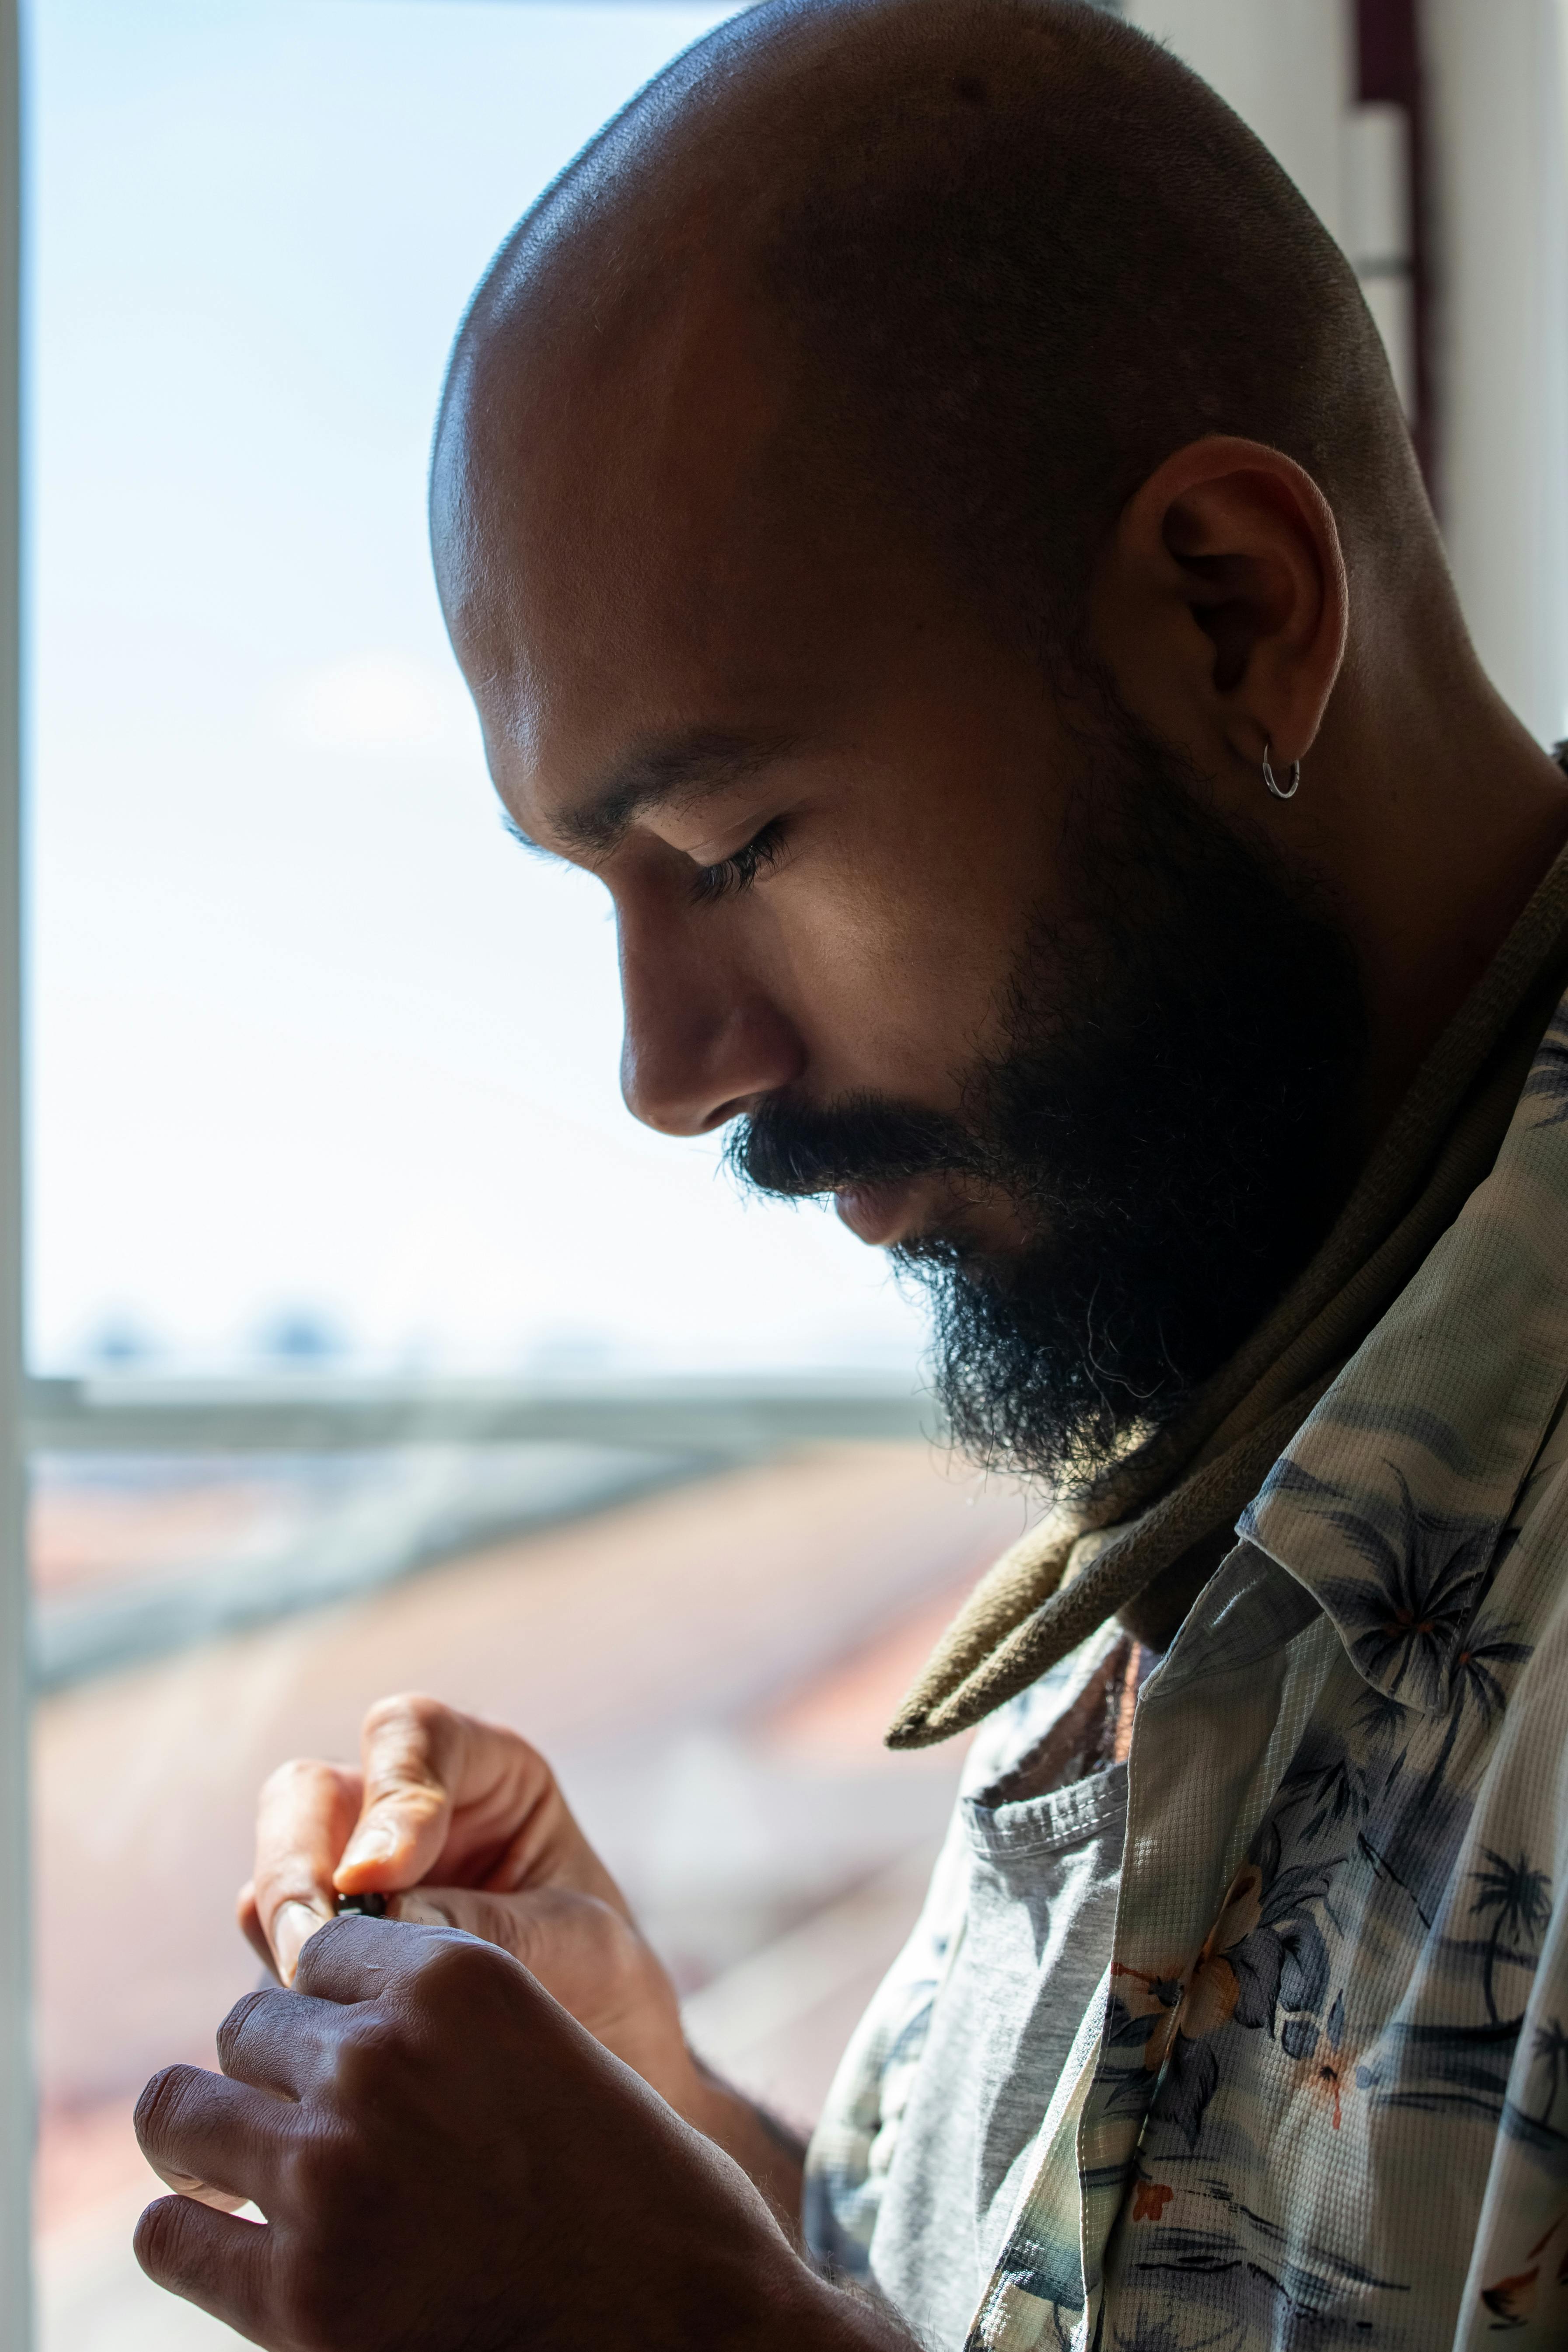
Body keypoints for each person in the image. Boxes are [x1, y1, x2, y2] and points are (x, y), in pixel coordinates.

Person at [131, 1, 1568, 2345]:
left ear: (1230, 610)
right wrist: (672, 2144)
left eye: (732, 844)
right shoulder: (1235, 1382)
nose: (666, 1069)